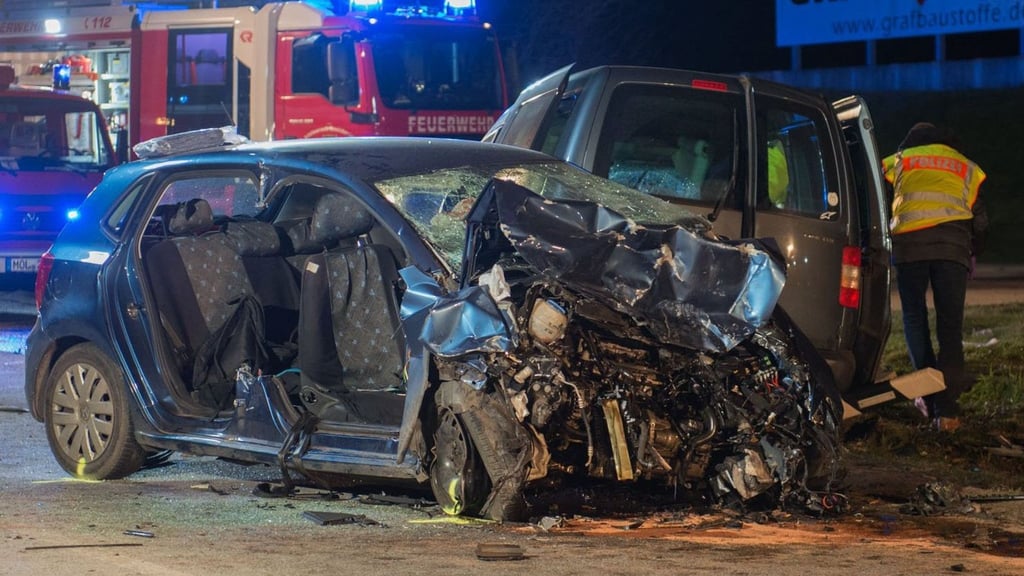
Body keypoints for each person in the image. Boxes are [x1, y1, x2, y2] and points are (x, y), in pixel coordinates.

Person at [882, 122, 988, 432]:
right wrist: (973, 251)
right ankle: (949, 413)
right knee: (950, 328)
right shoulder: (964, 165)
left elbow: (876, 194)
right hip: (953, 249)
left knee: (915, 319)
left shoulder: (900, 160)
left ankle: (927, 398)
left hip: (909, 248)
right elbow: (980, 219)